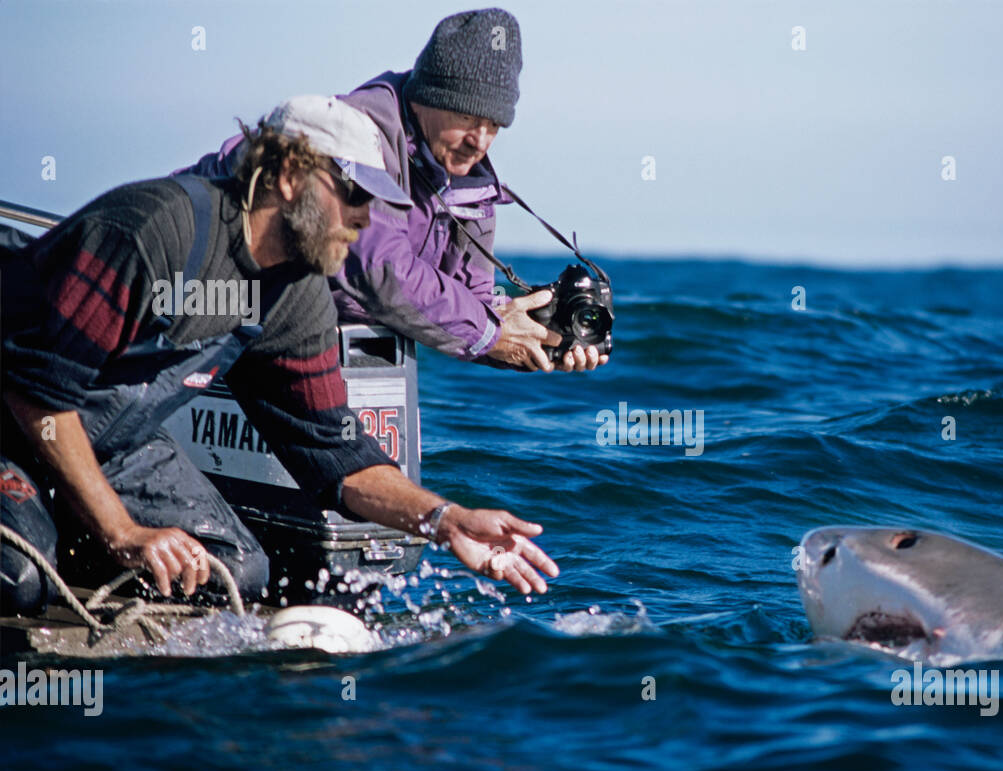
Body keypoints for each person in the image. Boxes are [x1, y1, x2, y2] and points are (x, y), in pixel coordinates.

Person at [0, 95, 558, 616]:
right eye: (357, 196)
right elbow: (36, 388)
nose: (368, 220)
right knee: (18, 577)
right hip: (19, 420)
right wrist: (120, 530)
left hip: (115, 443)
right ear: (290, 177)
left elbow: (335, 454)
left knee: (234, 573)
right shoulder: (156, 229)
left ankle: (66, 536)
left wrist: (445, 519)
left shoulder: (296, 294)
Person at [185, 7, 607, 375]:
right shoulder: (357, 135)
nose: (480, 141)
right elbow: (376, 267)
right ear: (425, 97)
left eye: (495, 125)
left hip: (289, 325)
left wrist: (541, 341)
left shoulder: (470, 184)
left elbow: (468, 311)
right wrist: (490, 332)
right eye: (467, 117)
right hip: (190, 282)